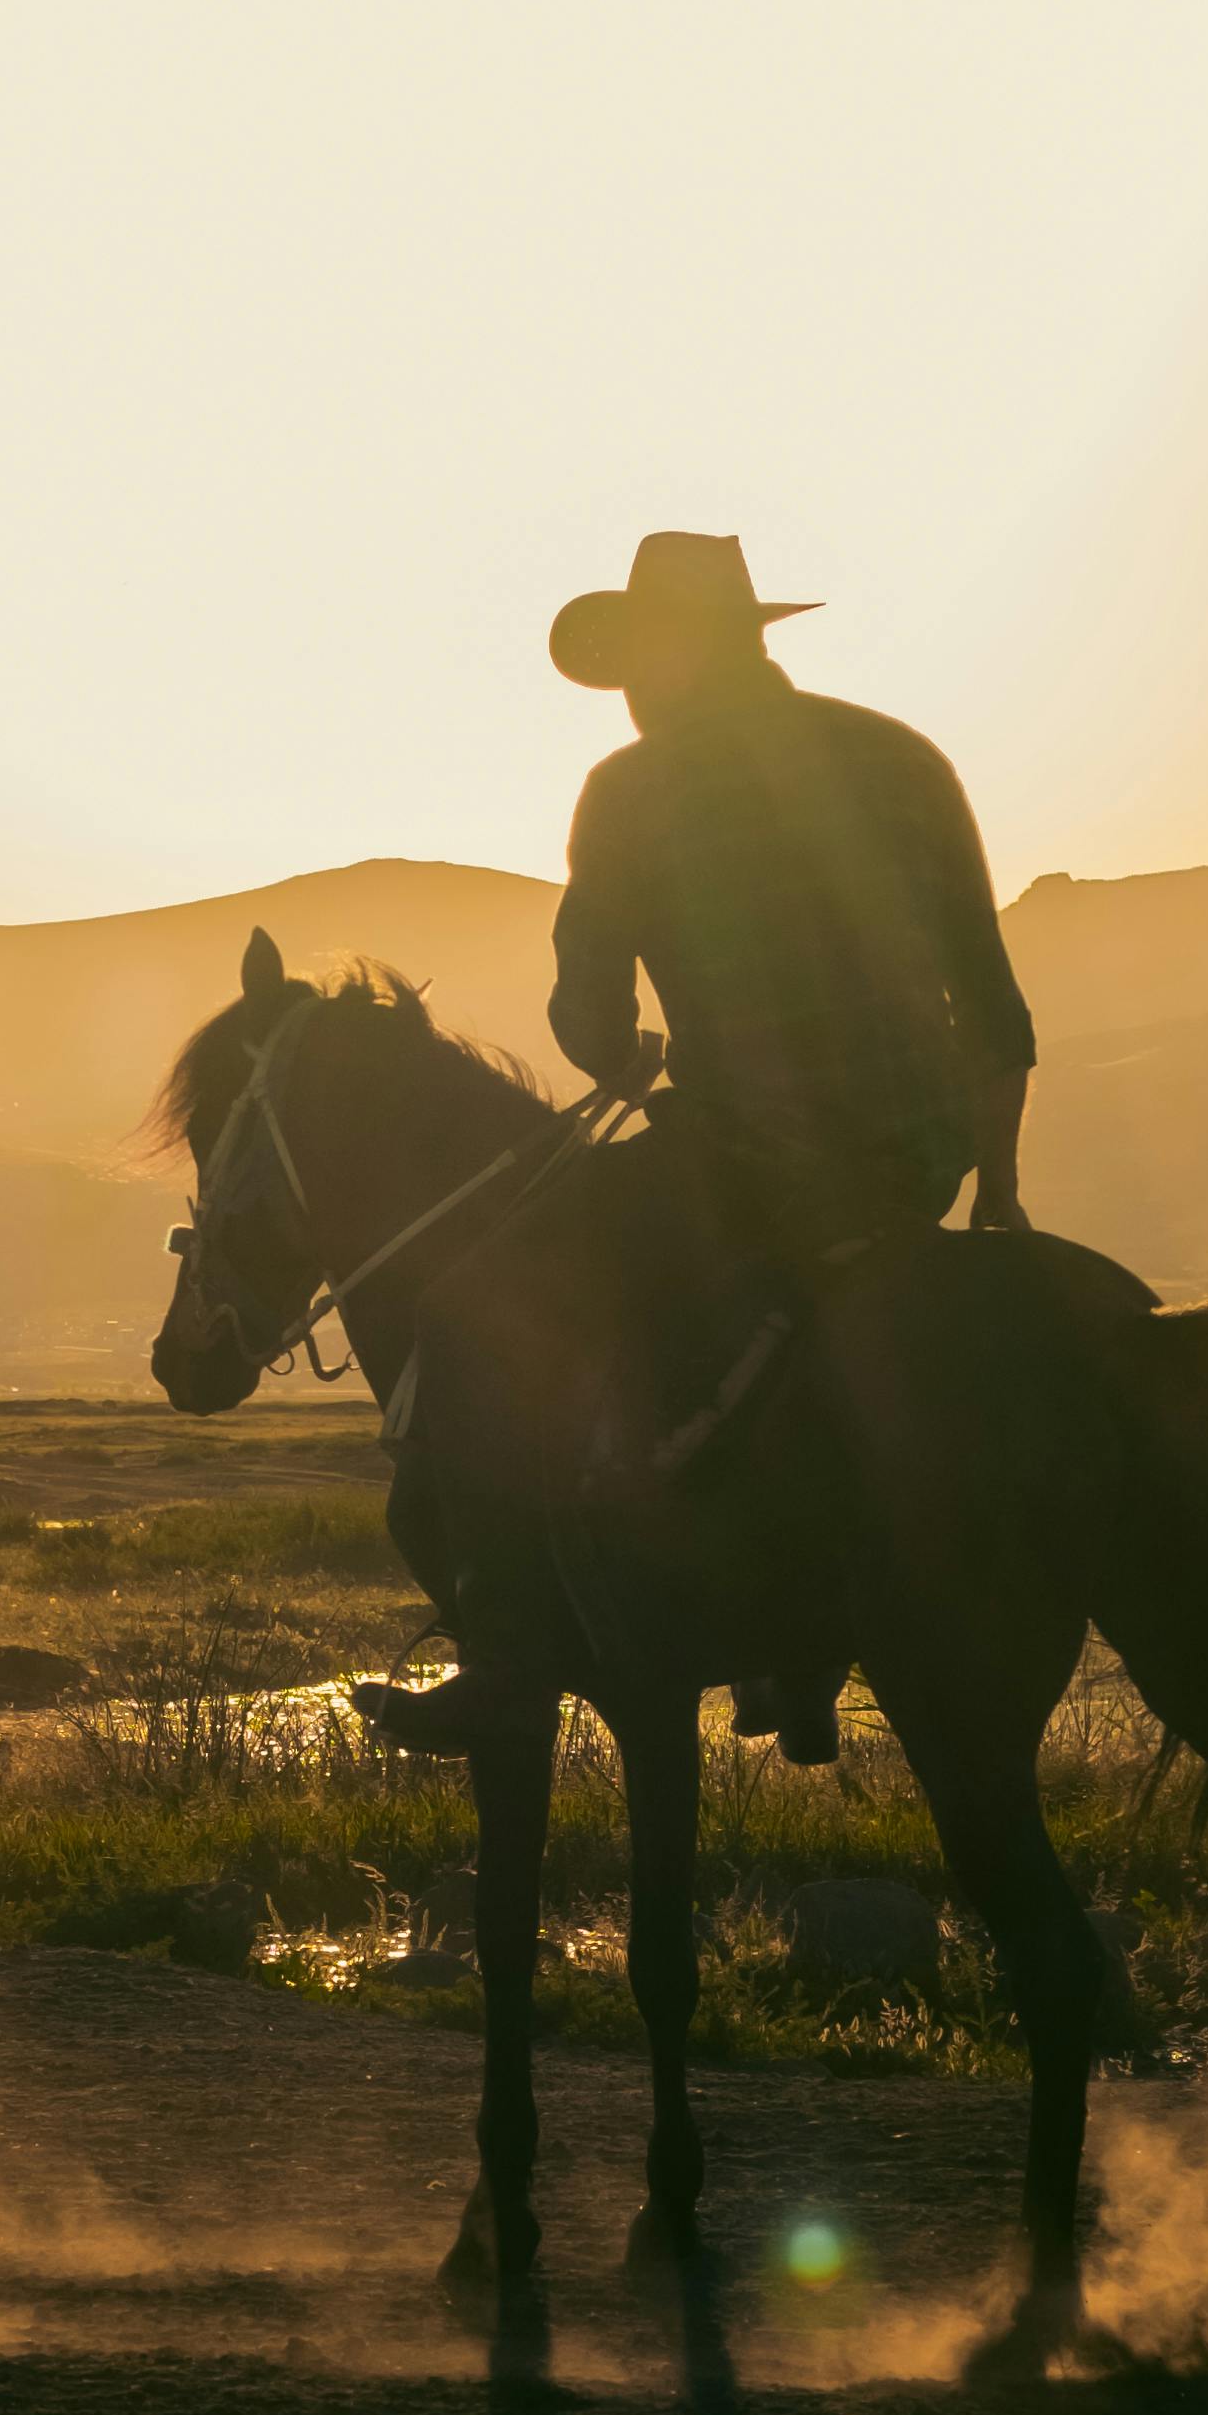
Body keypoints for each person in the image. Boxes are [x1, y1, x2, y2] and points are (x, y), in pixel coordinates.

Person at [374, 533, 1039, 1755]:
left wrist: (618, 1054)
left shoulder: (634, 790)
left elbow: (586, 1012)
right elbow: (993, 1008)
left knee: (475, 1309)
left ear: (664, 661)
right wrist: (994, 1184)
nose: (624, 689)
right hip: (916, 1161)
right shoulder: (903, 758)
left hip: (747, 1159)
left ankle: (508, 1647)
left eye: (630, 660)